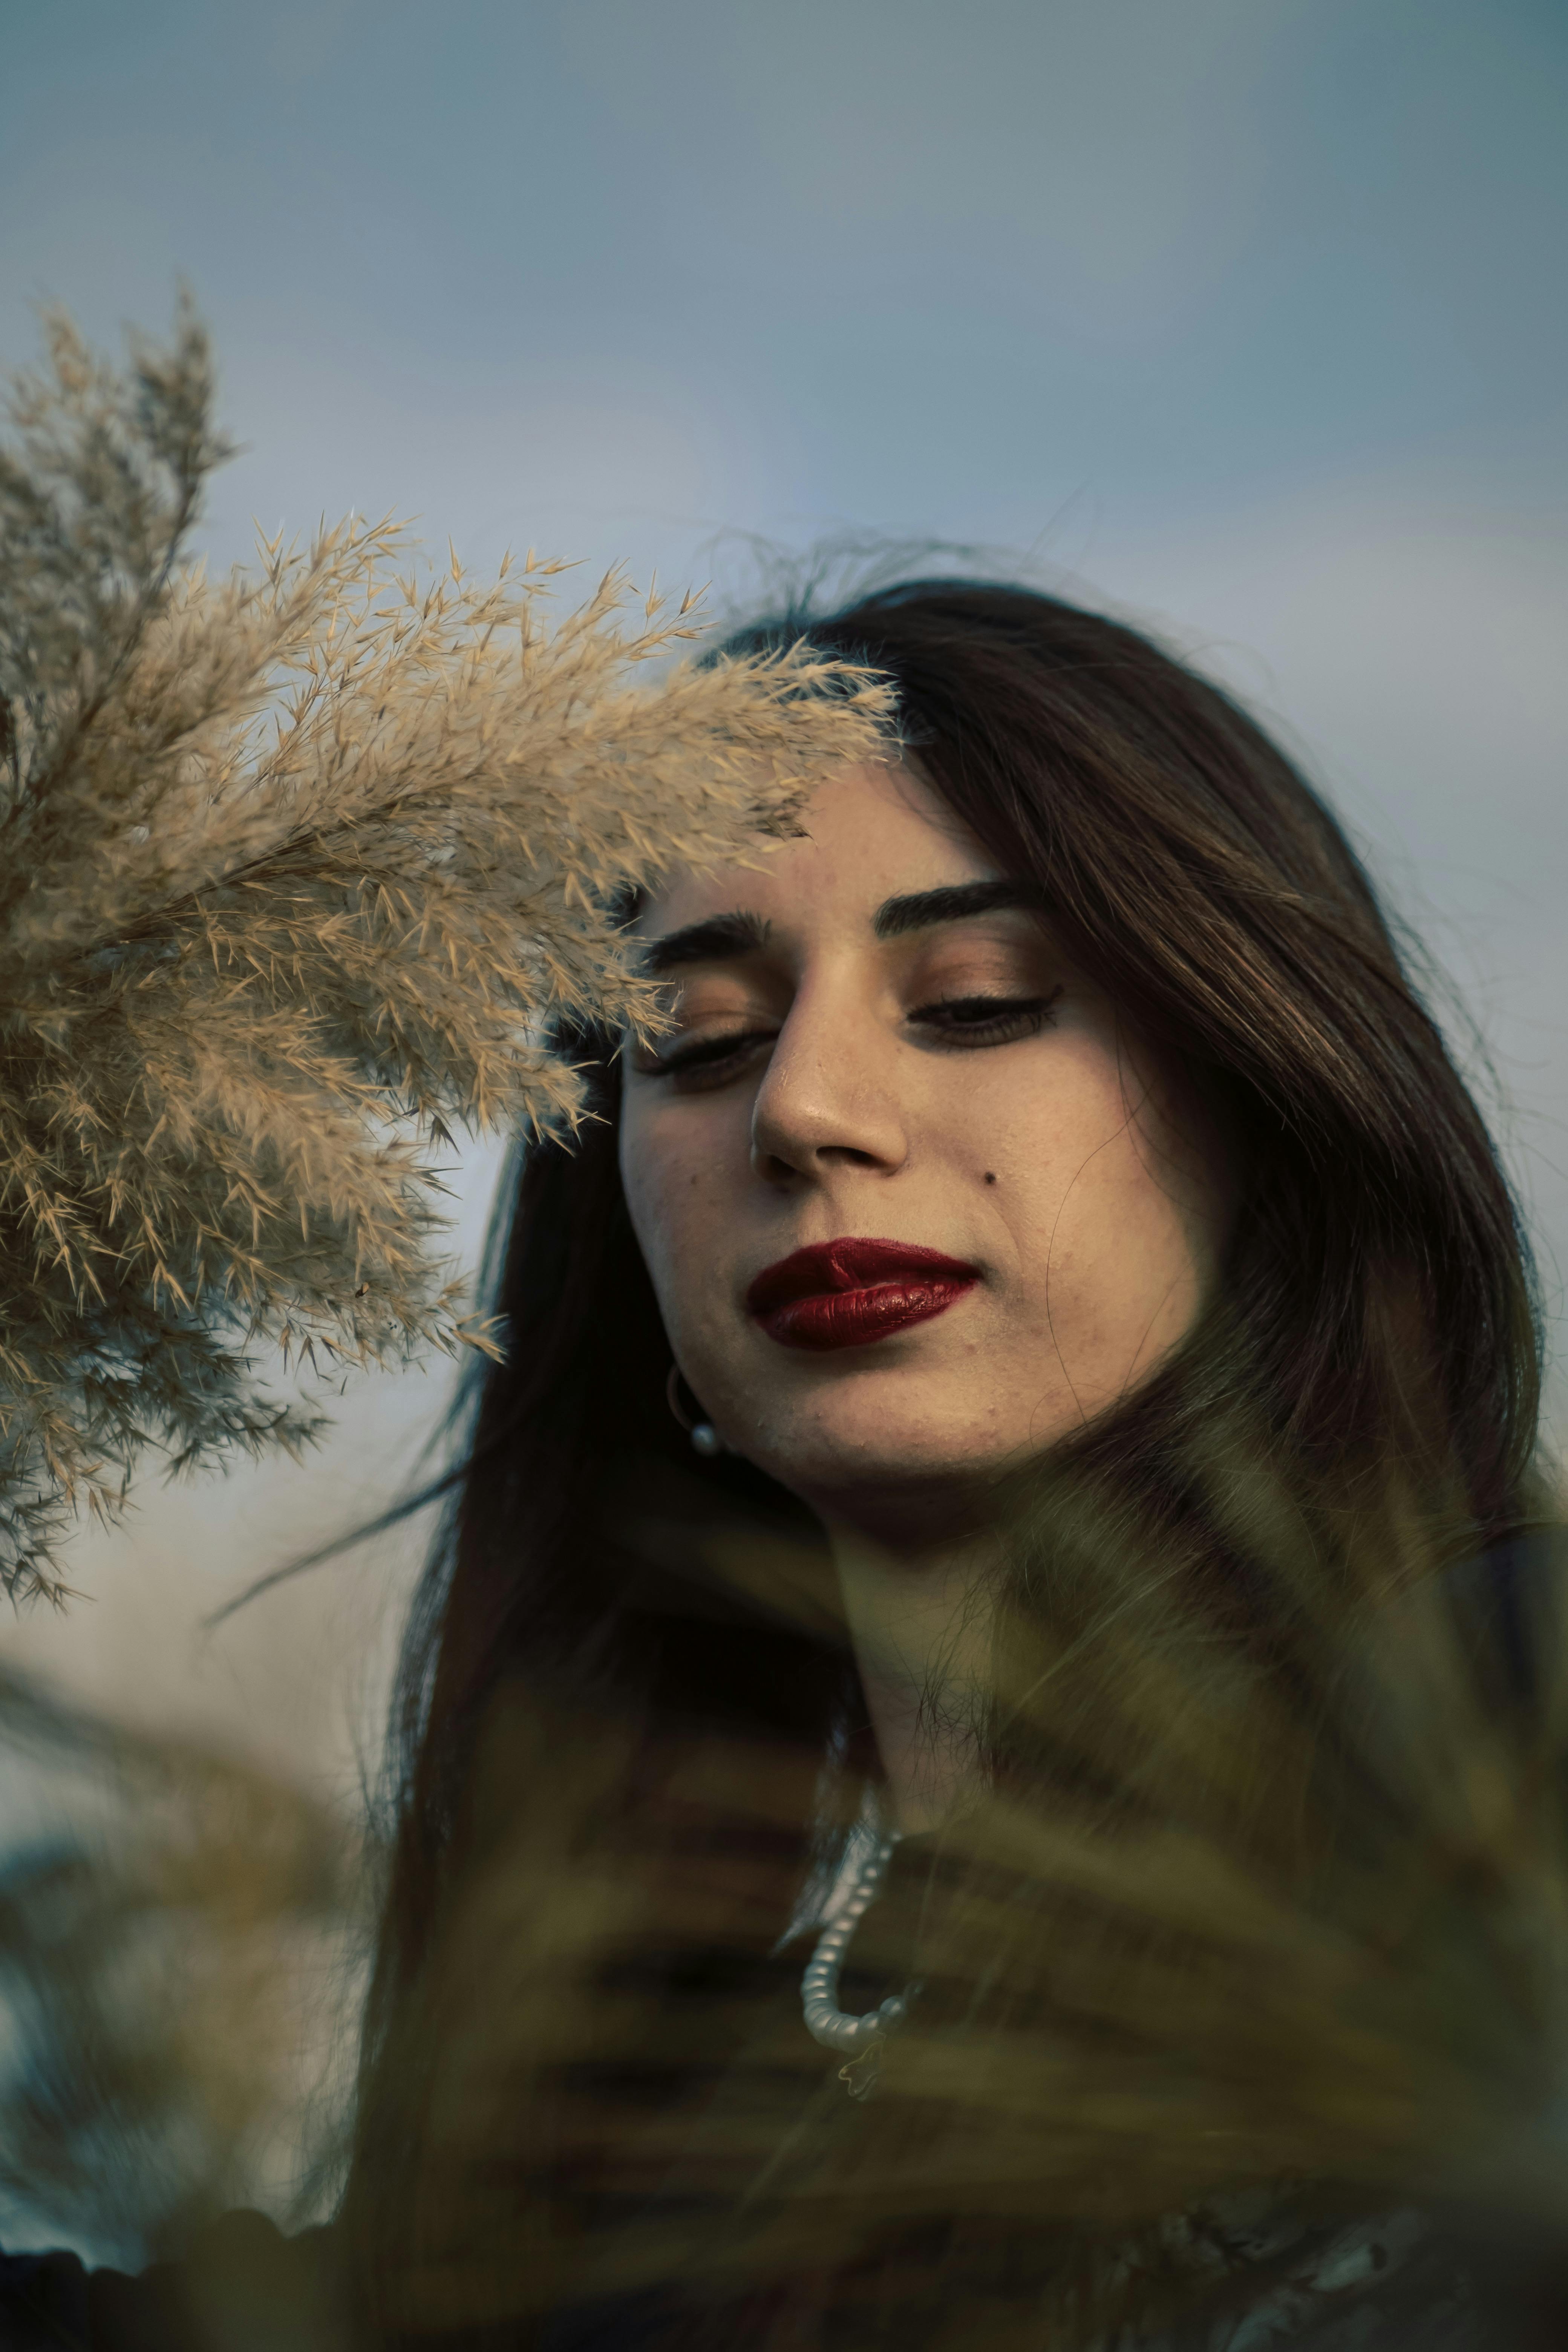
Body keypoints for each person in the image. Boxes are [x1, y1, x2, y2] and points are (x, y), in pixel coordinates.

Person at [3, 580, 1556, 2349]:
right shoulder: (624, 2102)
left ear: (1261, 1092)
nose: (800, 1110)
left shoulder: (1505, 1718)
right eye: (701, 1040)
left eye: (975, 999)